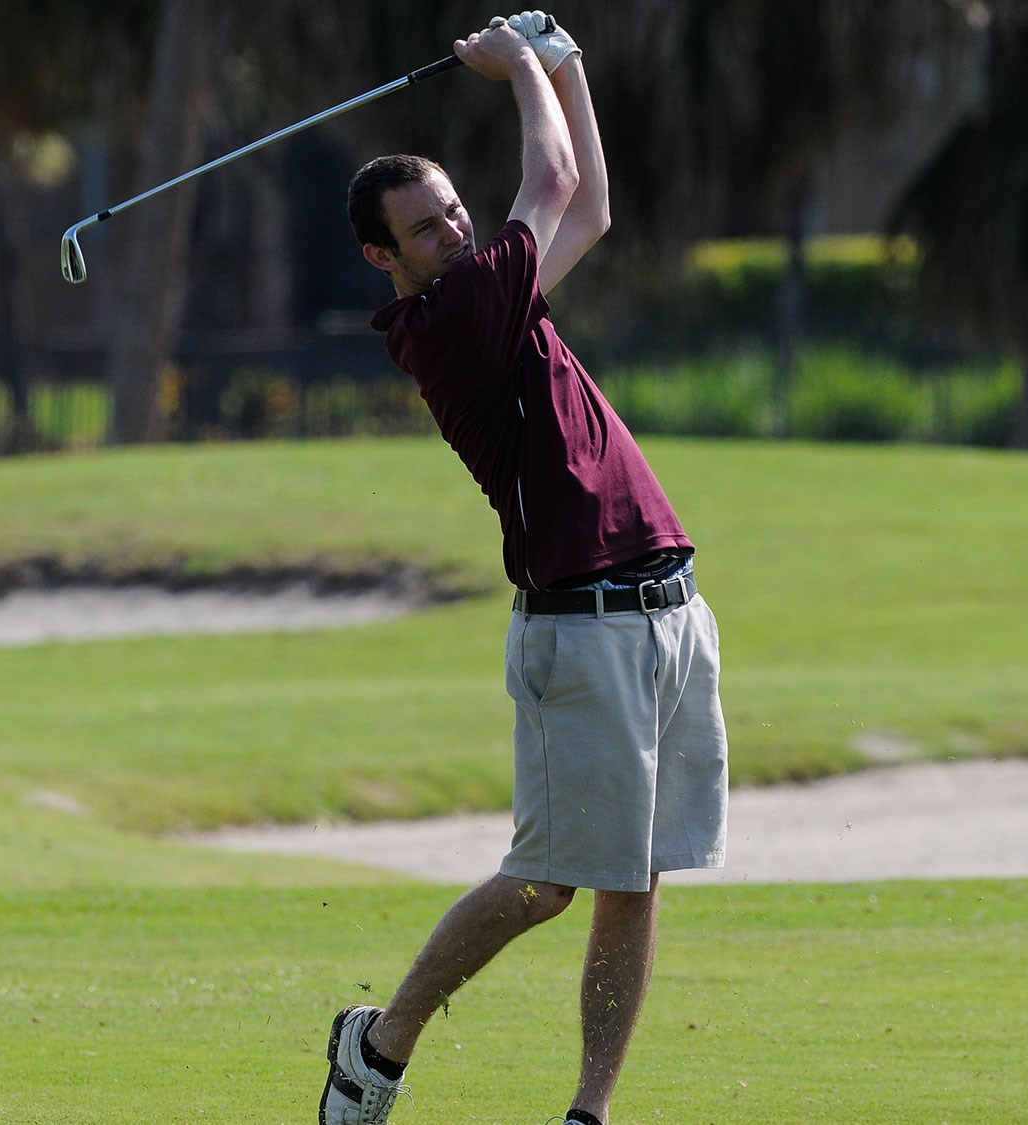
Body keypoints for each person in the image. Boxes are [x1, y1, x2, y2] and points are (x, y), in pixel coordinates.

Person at [320, 12, 729, 1125]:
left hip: (665, 605)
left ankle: (588, 1112)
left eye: (456, 210)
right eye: (426, 226)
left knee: (633, 881)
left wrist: (565, 63)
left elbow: (588, 209)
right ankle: (378, 1046)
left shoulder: (495, 290)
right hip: (578, 625)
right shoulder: (451, 317)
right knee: (547, 880)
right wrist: (516, 70)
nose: (455, 229)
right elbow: (549, 179)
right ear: (384, 256)